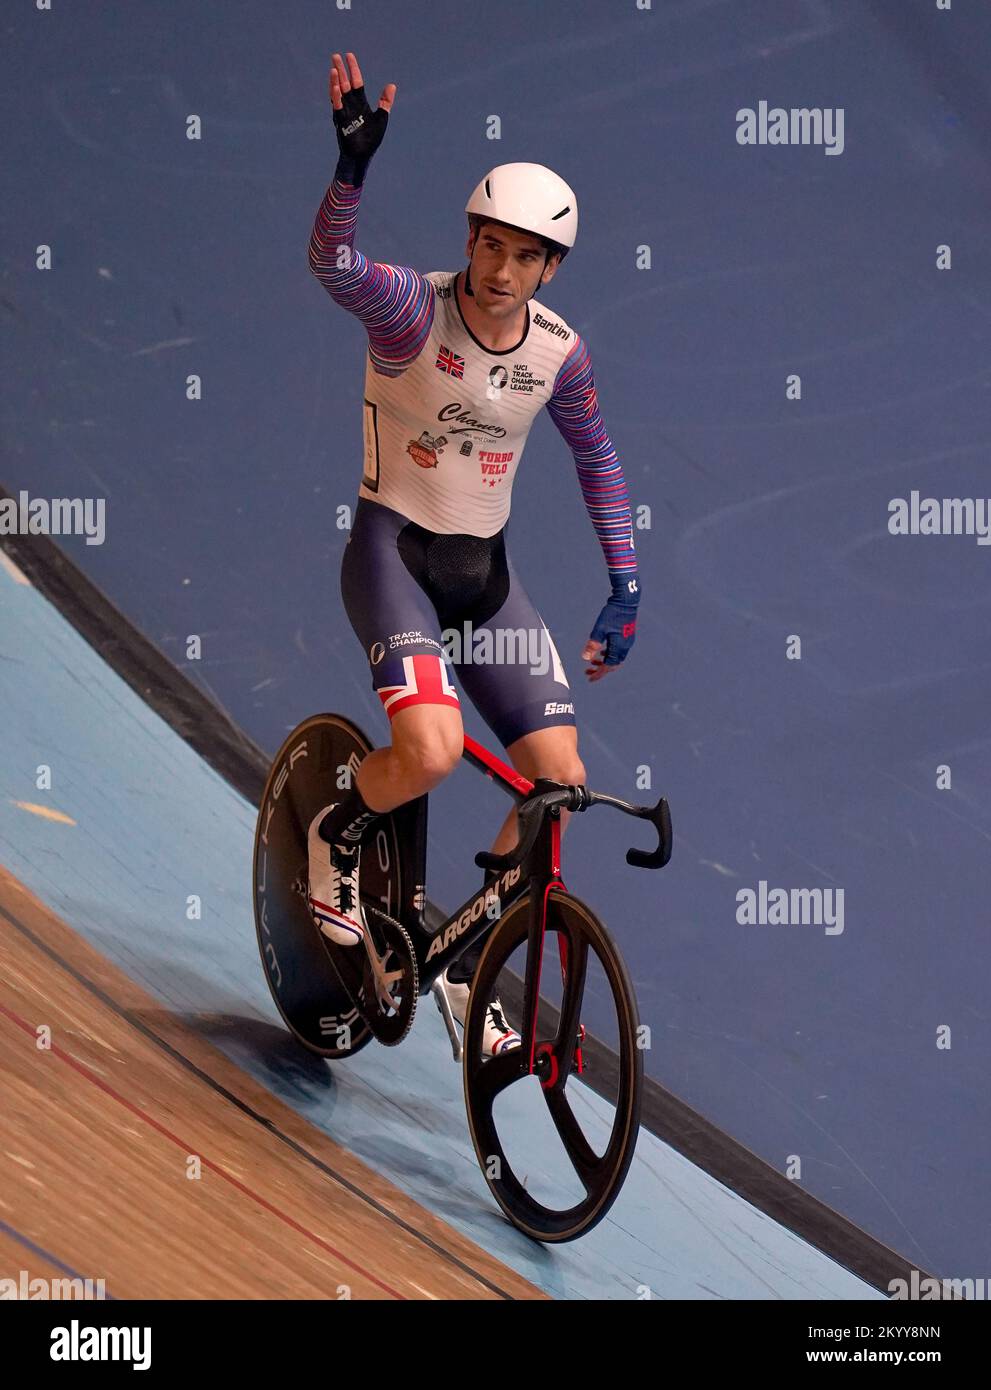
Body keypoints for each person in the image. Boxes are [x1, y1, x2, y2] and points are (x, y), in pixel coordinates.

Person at [306, 52, 641, 1056]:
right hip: (393, 560)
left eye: (522, 257)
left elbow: (599, 456)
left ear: (550, 271)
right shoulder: (414, 311)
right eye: (487, 246)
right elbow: (333, 266)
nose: (498, 271)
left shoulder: (558, 352)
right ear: (469, 242)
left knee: (559, 788)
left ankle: (462, 969)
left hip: (483, 584)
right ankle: (334, 835)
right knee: (435, 753)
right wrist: (350, 173)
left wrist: (625, 585)